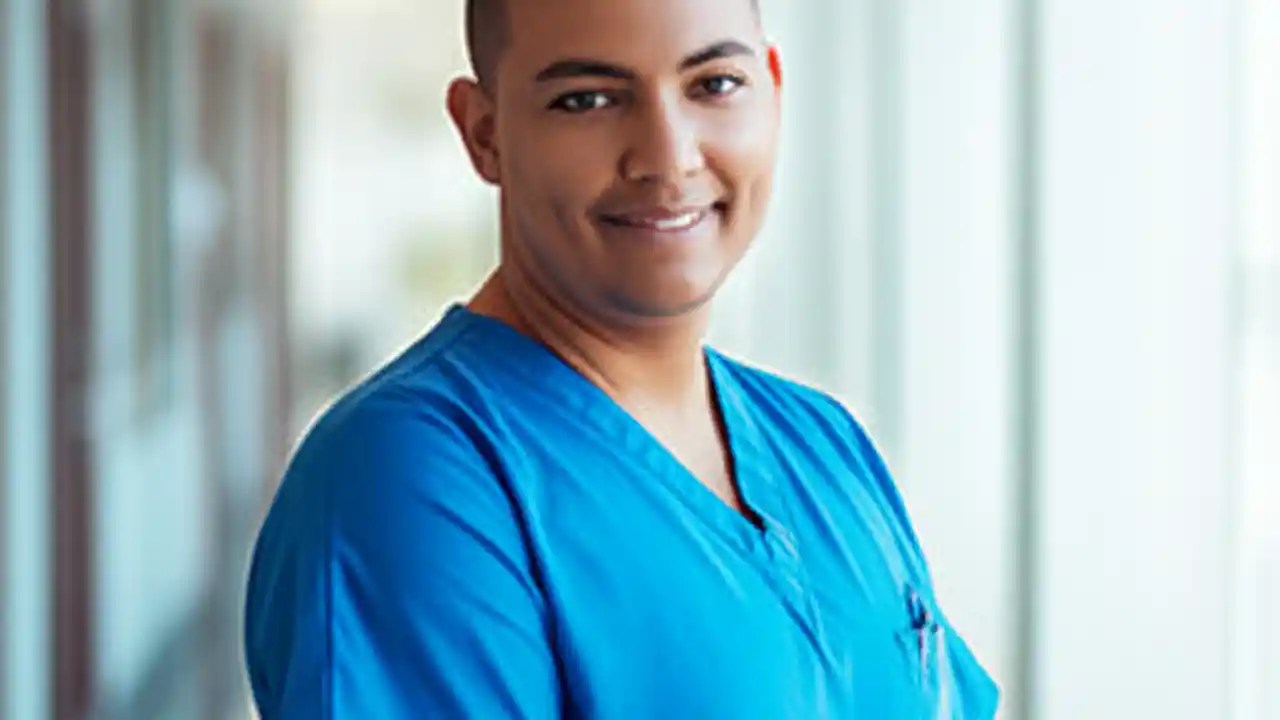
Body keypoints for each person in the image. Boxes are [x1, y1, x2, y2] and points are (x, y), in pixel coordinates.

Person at [243, 0, 1000, 717]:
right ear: (484, 134)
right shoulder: (411, 480)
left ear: (771, 92)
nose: (668, 159)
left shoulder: (823, 442)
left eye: (715, 84)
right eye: (588, 99)